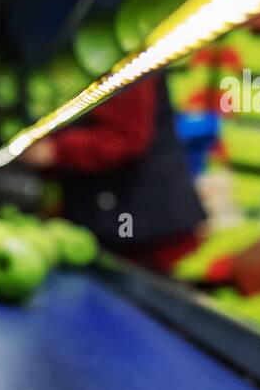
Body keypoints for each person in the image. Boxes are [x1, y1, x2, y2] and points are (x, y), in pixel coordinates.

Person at [18, 73, 205, 272]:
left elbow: (125, 138)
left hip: (147, 232)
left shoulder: (124, 59)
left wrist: (55, 150)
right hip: (121, 225)